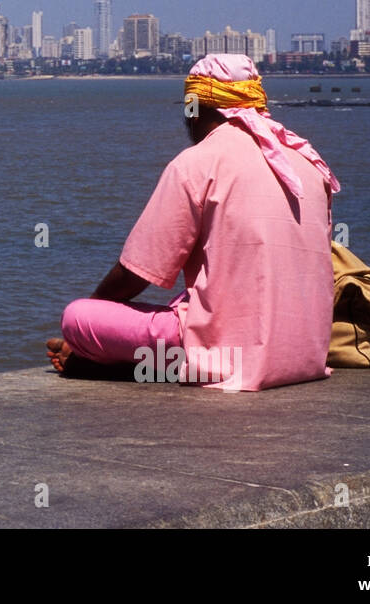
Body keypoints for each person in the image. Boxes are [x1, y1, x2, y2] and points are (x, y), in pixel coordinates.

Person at [46, 53, 340, 391]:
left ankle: (107, 358)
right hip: (303, 353)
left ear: (195, 107)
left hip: (232, 352)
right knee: (184, 301)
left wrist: (93, 322)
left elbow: (136, 271)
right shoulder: (307, 160)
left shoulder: (196, 163)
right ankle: (139, 360)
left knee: (77, 317)